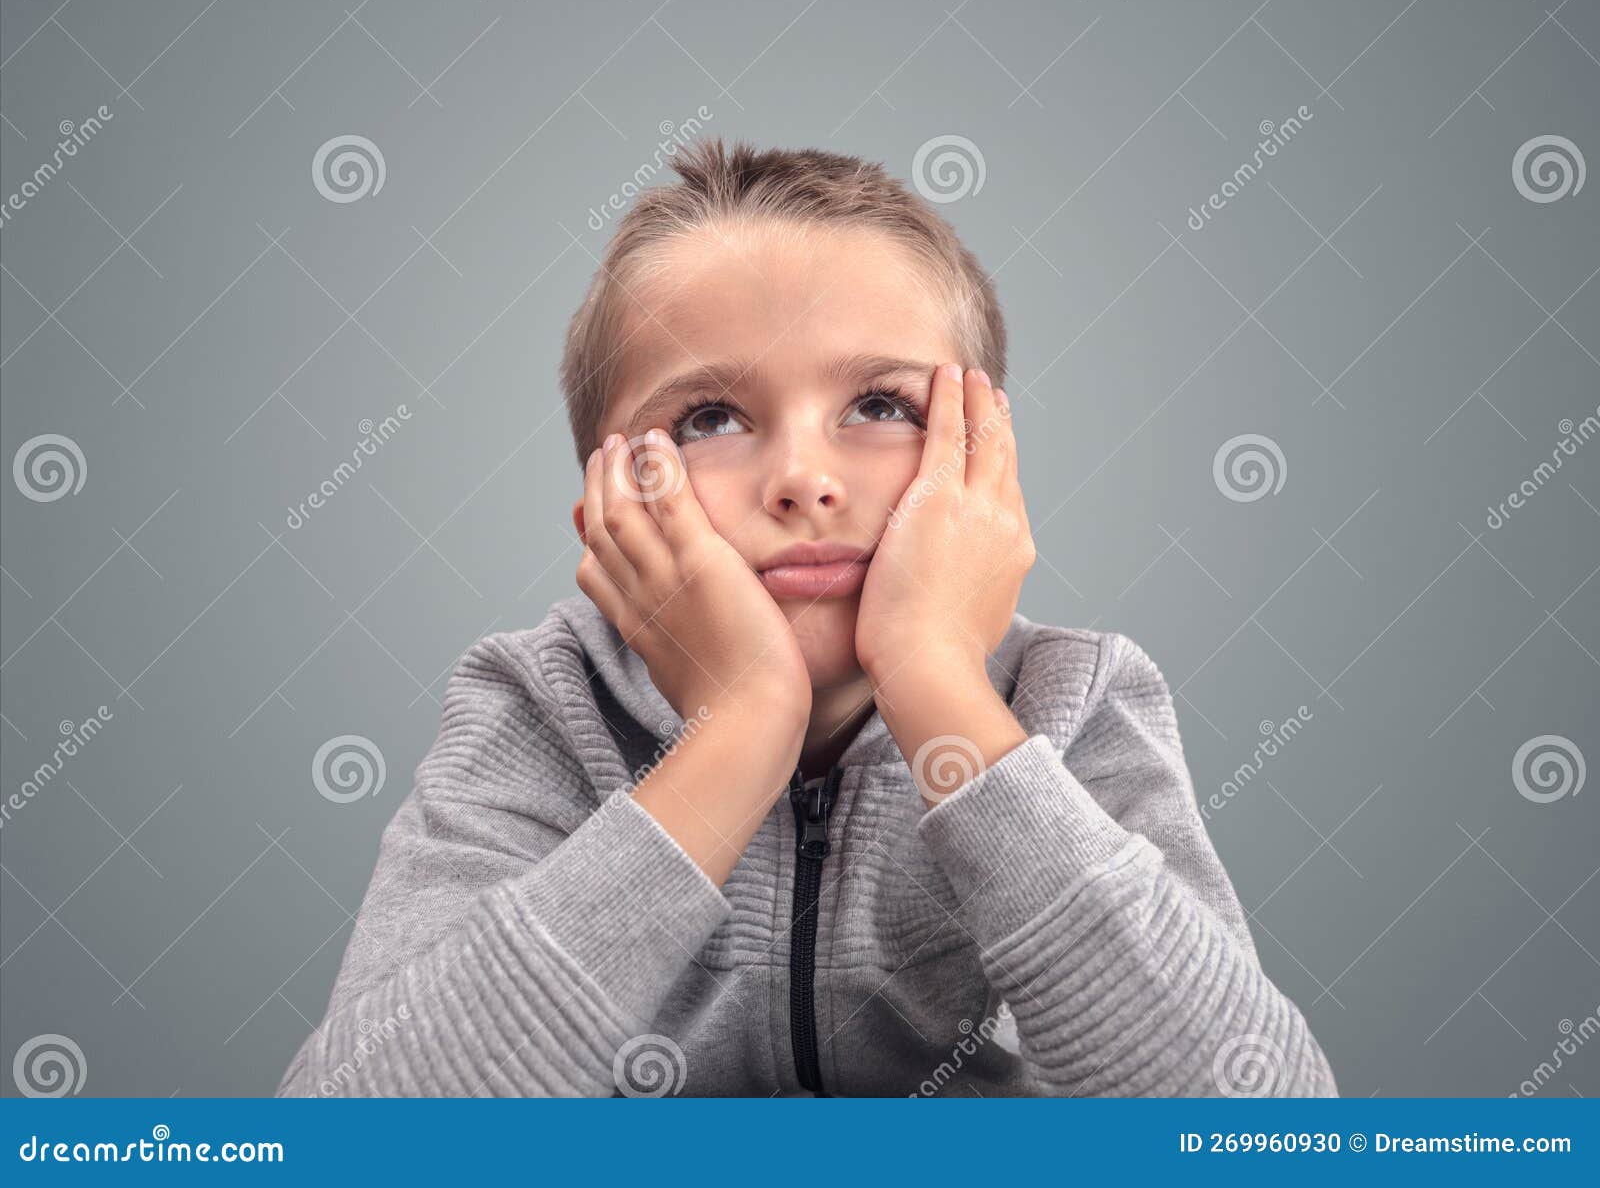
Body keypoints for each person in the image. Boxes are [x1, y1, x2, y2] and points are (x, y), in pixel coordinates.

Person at [276, 138, 1339, 1098]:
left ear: (984, 456)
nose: (801, 478)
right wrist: (739, 728)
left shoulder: (1077, 700)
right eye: (709, 417)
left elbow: (1264, 1131)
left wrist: (935, 677)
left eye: (880, 406)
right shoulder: (538, 707)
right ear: (606, 496)